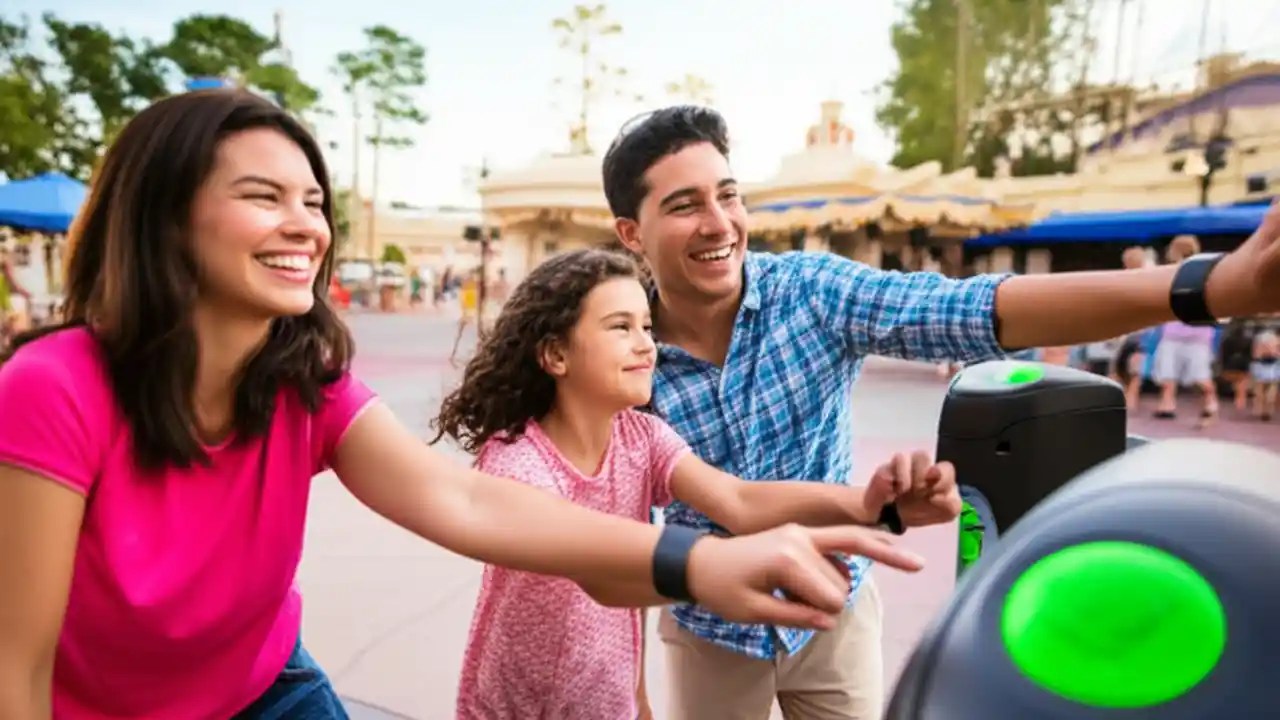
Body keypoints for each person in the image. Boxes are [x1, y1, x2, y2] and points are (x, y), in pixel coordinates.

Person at [0, 91, 930, 720]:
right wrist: (703, 561)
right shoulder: (56, 389)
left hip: (262, 689)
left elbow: (463, 503)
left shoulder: (304, 382)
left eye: (313, 201)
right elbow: (17, 665)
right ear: (163, 217)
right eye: (262, 197)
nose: (305, 225)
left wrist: (699, 561)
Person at [602, 105, 1280, 720]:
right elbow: (622, 530)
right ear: (632, 232)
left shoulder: (809, 293)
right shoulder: (620, 351)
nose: (719, 224)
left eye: (728, 196)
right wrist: (631, 693)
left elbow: (974, 308)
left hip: (836, 607)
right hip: (712, 627)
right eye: (685, 205)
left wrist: (1210, 287)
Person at [432, 248, 958, 720]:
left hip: (607, 702)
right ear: (556, 356)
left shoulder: (641, 437)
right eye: (620, 327)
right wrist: (713, 572)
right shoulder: (519, 462)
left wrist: (869, 504)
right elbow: (600, 575)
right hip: (516, 706)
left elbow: (738, 500)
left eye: (646, 327)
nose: (646, 346)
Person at [1151, 236, 1219, 426]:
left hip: (1186, 332)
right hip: (1191, 332)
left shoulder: (1183, 271)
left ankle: (1206, 402)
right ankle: (1169, 404)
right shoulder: (1206, 269)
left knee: (1189, 375)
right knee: (1175, 374)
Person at [450, 268, 481, 365]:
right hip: (470, 311)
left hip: (471, 311)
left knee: (466, 332)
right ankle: (454, 353)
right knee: (466, 332)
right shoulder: (471, 286)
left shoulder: (470, 286)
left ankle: (454, 352)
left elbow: (467, 299)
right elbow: (465, 300)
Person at [1252, 328, 1279, 421]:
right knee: (1272, 387)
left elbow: (1255, 354)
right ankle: (1268, 409)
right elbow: (1277, 353)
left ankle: (1262, 409)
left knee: (1260, 389)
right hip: (1273, 364)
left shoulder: (1259, 340)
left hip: (1260, 364)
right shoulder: (1276, 340)